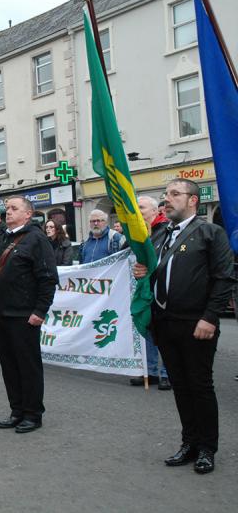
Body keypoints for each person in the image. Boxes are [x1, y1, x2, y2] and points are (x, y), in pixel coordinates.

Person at [133, 179, 235, 475]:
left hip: (196, 322)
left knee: (199, 385)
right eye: (166, 194)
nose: (167, 199)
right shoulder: (160, 234)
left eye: (175, 194)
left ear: (193, 200)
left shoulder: (210, 232)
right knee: (180, 385)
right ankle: (189, 442)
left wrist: (210, 318)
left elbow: (224, 278)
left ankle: (206, 448)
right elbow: (151, 271)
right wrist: (142, 271)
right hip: (165, 322)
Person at [0, 196, 58, 433]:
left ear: (28, 214)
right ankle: (17, 410)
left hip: (24, 315)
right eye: (7, 209)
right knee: (9, 366)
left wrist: (40, 311)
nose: (9, 212)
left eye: (14, 208)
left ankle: (33, 414)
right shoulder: (1, 237)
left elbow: (47, 278)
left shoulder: (37, 239)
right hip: (1, 314)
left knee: (27, 366)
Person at [131, 195, 171, 390]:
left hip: (163, 290)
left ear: (156, 211)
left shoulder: (165, 231)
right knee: (148, 328)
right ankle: (152, 371)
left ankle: (167, 373)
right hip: (145, 289)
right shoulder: (138, 232)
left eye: (142, 208)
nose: (138, 211)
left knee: (164, 332)